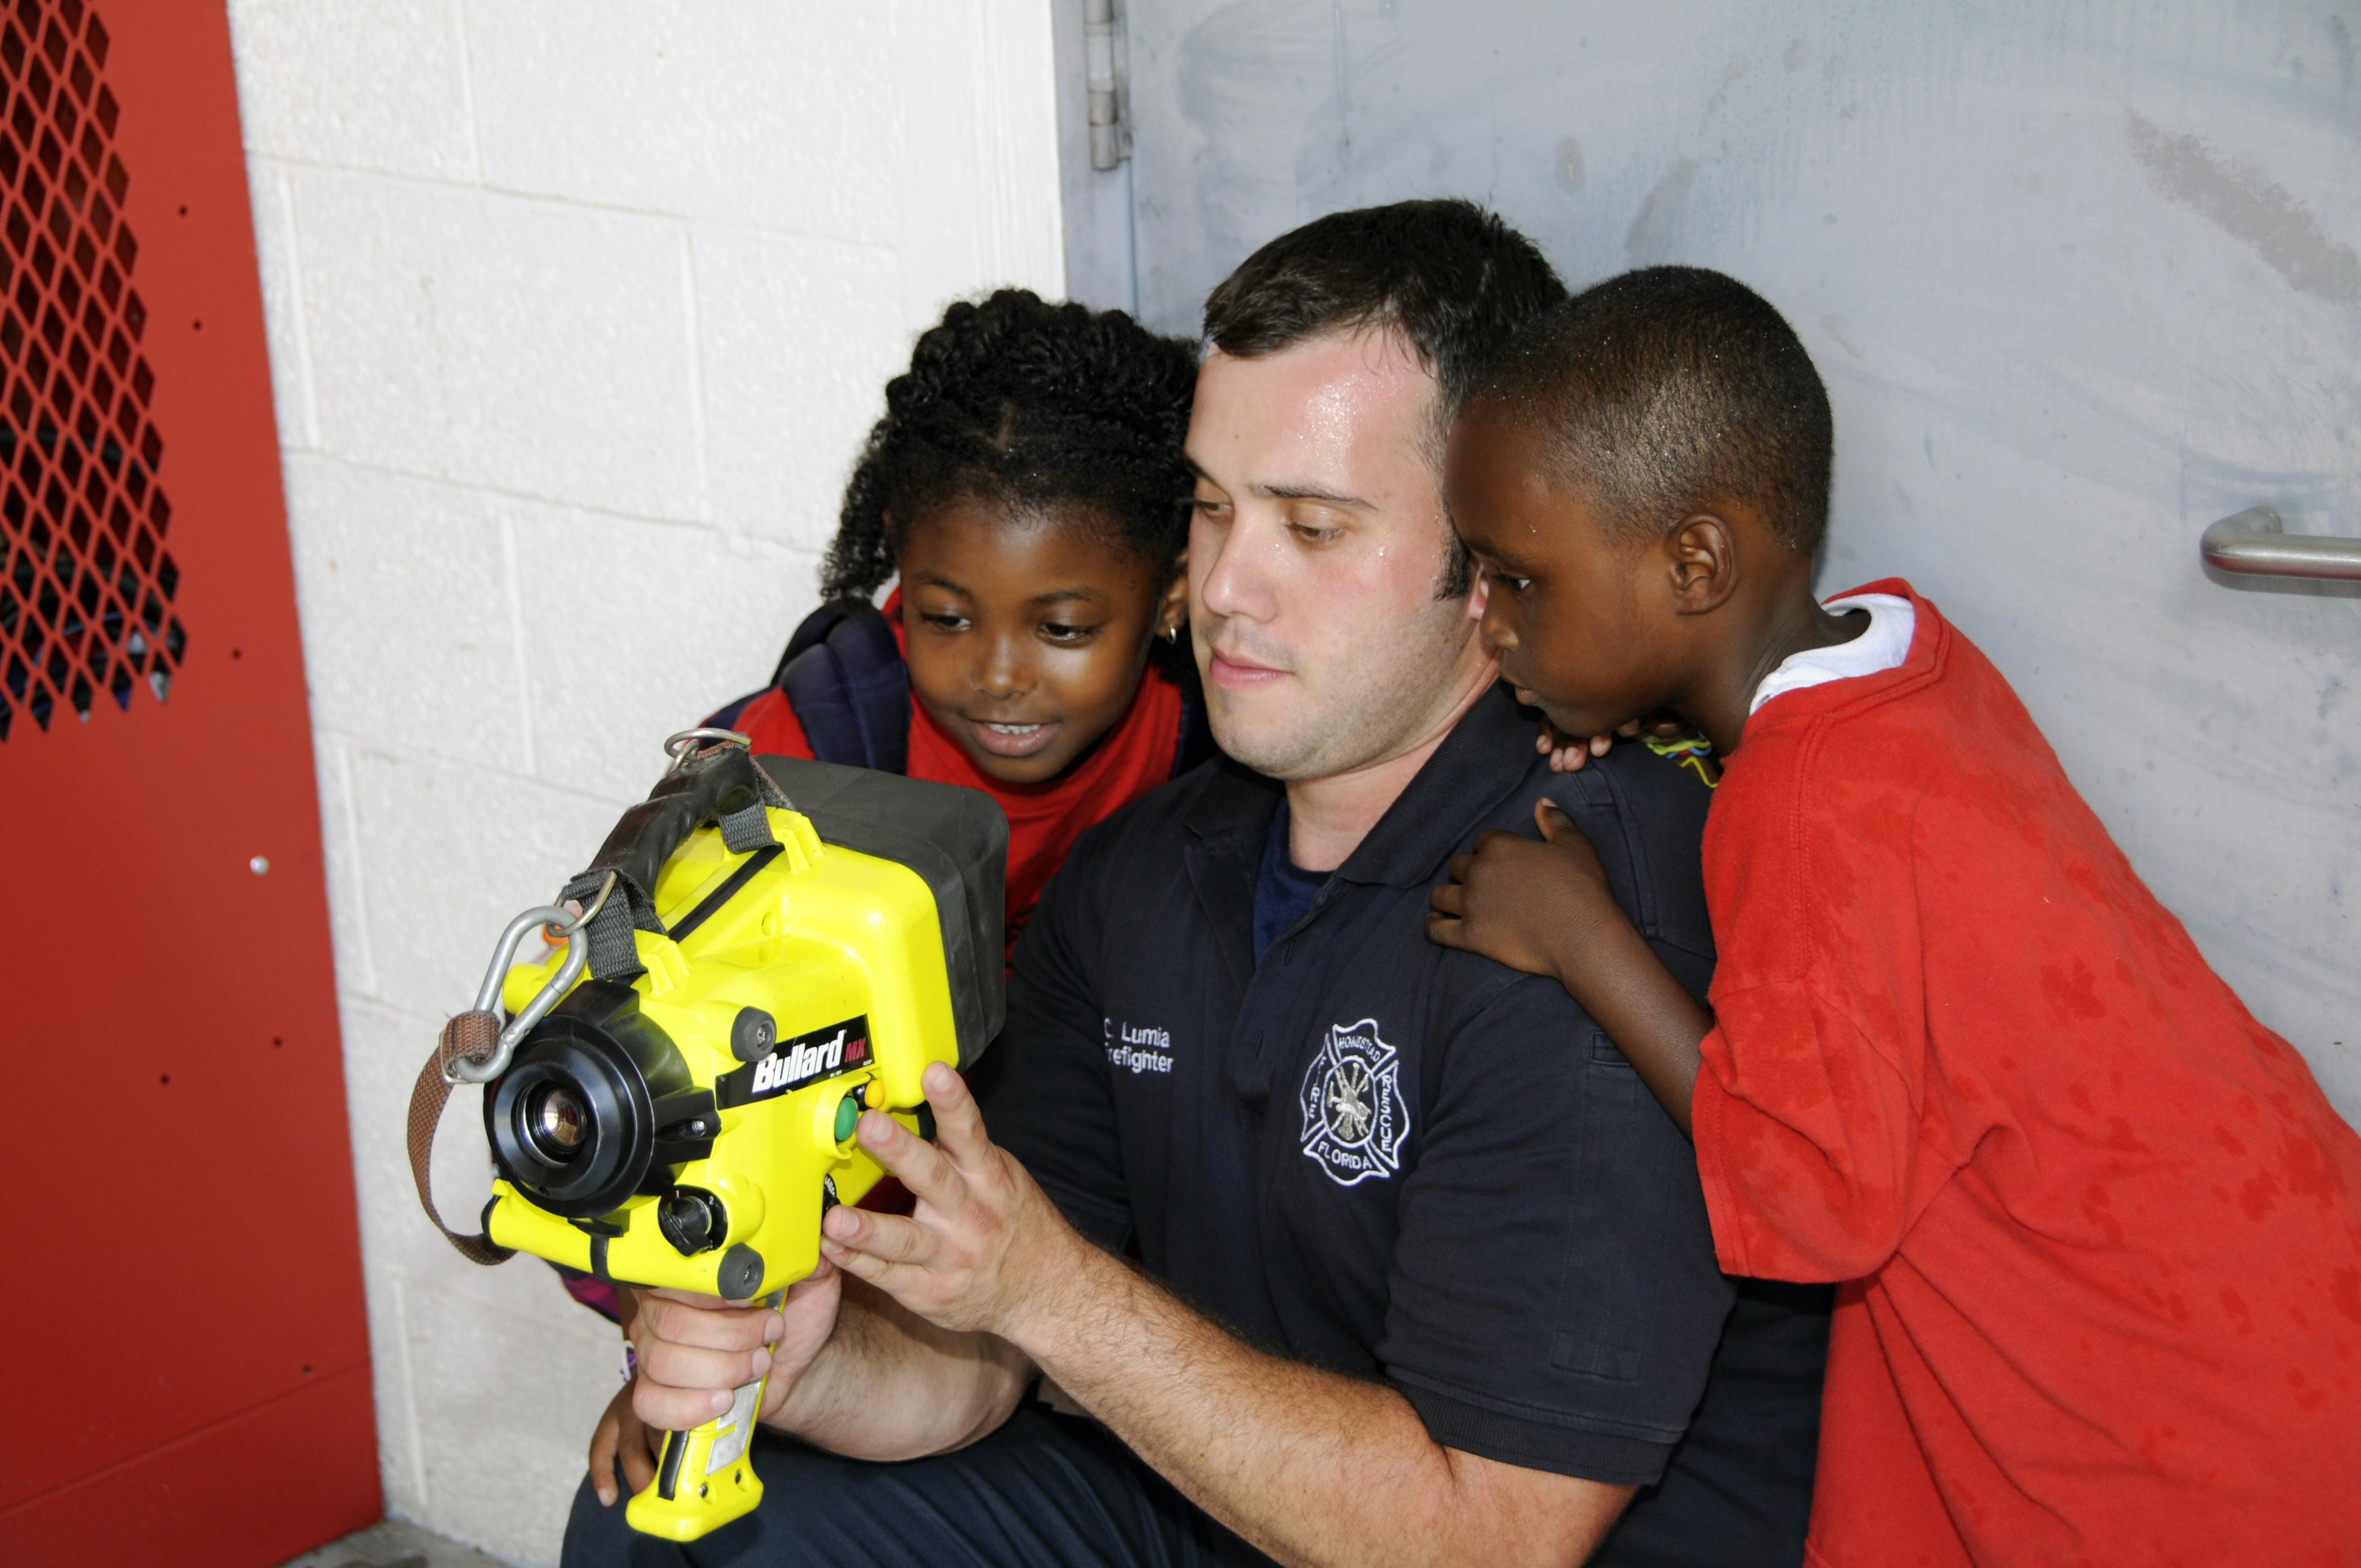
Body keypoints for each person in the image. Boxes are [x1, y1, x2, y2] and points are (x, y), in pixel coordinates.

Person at [564, 203, 1829, 1568]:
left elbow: (1494, 1534)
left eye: (1314, 526)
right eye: (1213, 507)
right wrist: (807, 1362)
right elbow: (983, 1351)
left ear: (1488, 560)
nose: (1226, 585)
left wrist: (1056, 1294)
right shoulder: (1145, 871)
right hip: (1214, 1516)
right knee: (693, 1525)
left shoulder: (1585, 906)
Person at [1428, 265, 2361, 1566]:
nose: (1486, 619)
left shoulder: (1801, 799)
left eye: (1517, 580)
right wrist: (1640, 686)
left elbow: (1810, 1199)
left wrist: (1578, 934)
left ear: (1693, 563)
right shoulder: (1901, 650)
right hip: (2279, 1256)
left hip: (2166, 1397)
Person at [558, 286, 1209, 1387]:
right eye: (944, 617)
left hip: (1074, 1188)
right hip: (851, 1218)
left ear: (1168, 602)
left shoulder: (1210, 736)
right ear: (898, 585)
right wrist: (660, 1339)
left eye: (1060, 627)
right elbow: (641, 1055)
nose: (999, 671)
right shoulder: (808, 753)